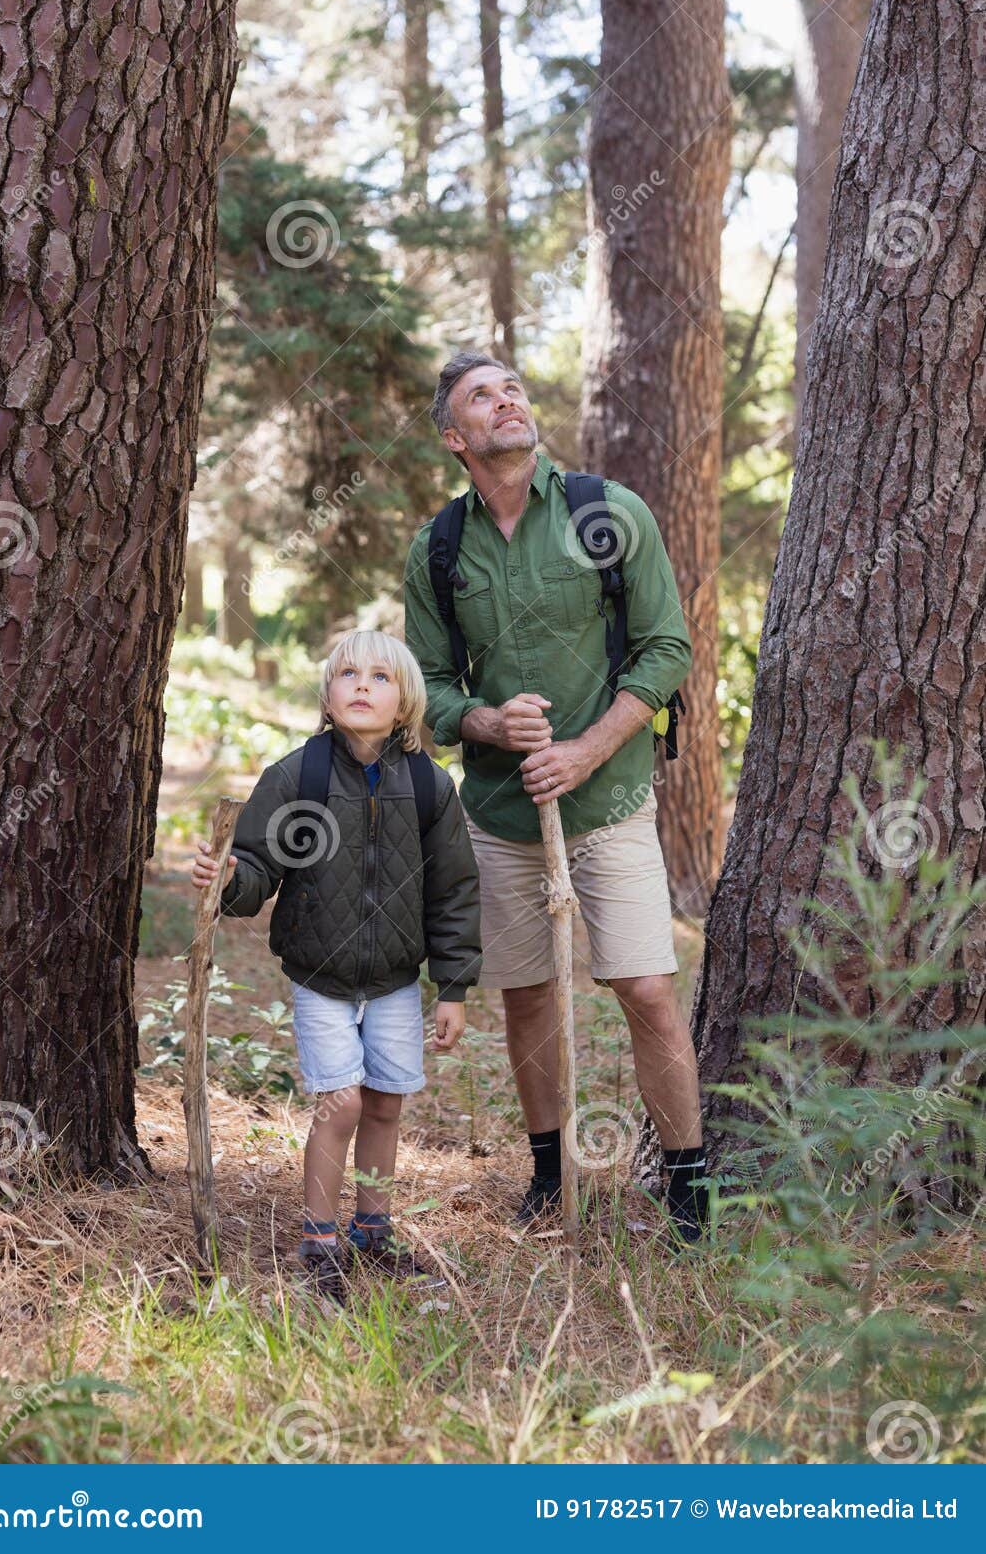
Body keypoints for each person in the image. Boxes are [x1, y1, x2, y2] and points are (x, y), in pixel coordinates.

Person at [403, 351, 708, 1244]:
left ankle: (690, 1194)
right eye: (481, 397)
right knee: (527, 995)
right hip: (500, 818)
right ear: (456, 438)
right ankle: (548, 1175)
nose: (507, 402)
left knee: (647, 988)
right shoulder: (440, 549)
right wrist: (487, 724)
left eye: (512, 388)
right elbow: (425, 685)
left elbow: (663, 650)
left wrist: (583, 750)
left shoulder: (606, 514)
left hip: (608, 801)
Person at [191, 629, 481, 1303]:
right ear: (326, 695)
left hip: (396, 980)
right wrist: (228, 879)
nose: (360, 684)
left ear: (406, 701)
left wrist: (455, 986)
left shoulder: (430, 787)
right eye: (346, 673)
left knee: (384, 1102)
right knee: (341, 1100)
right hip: (319, 975)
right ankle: (319, 1238)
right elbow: (258, 866)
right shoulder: (299, 776)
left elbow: (454, 891)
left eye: (380, 677)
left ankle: (371, 1232)